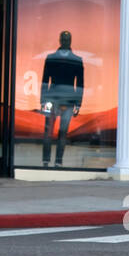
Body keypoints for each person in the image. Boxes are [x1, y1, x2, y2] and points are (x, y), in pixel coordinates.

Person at [41, 30, 84, 167]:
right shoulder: (50, 58)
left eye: (68, 39)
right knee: (48, 131)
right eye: (63, 39)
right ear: (59, 40)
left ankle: (59, 161)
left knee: (63, 132)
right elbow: (44, 80)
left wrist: (78, 103)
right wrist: (43, 100)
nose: (65, 41)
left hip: (69, 101)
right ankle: (45, 160)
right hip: (51, 99)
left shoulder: (77, 60)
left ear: (71, 41)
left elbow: (80, 84)